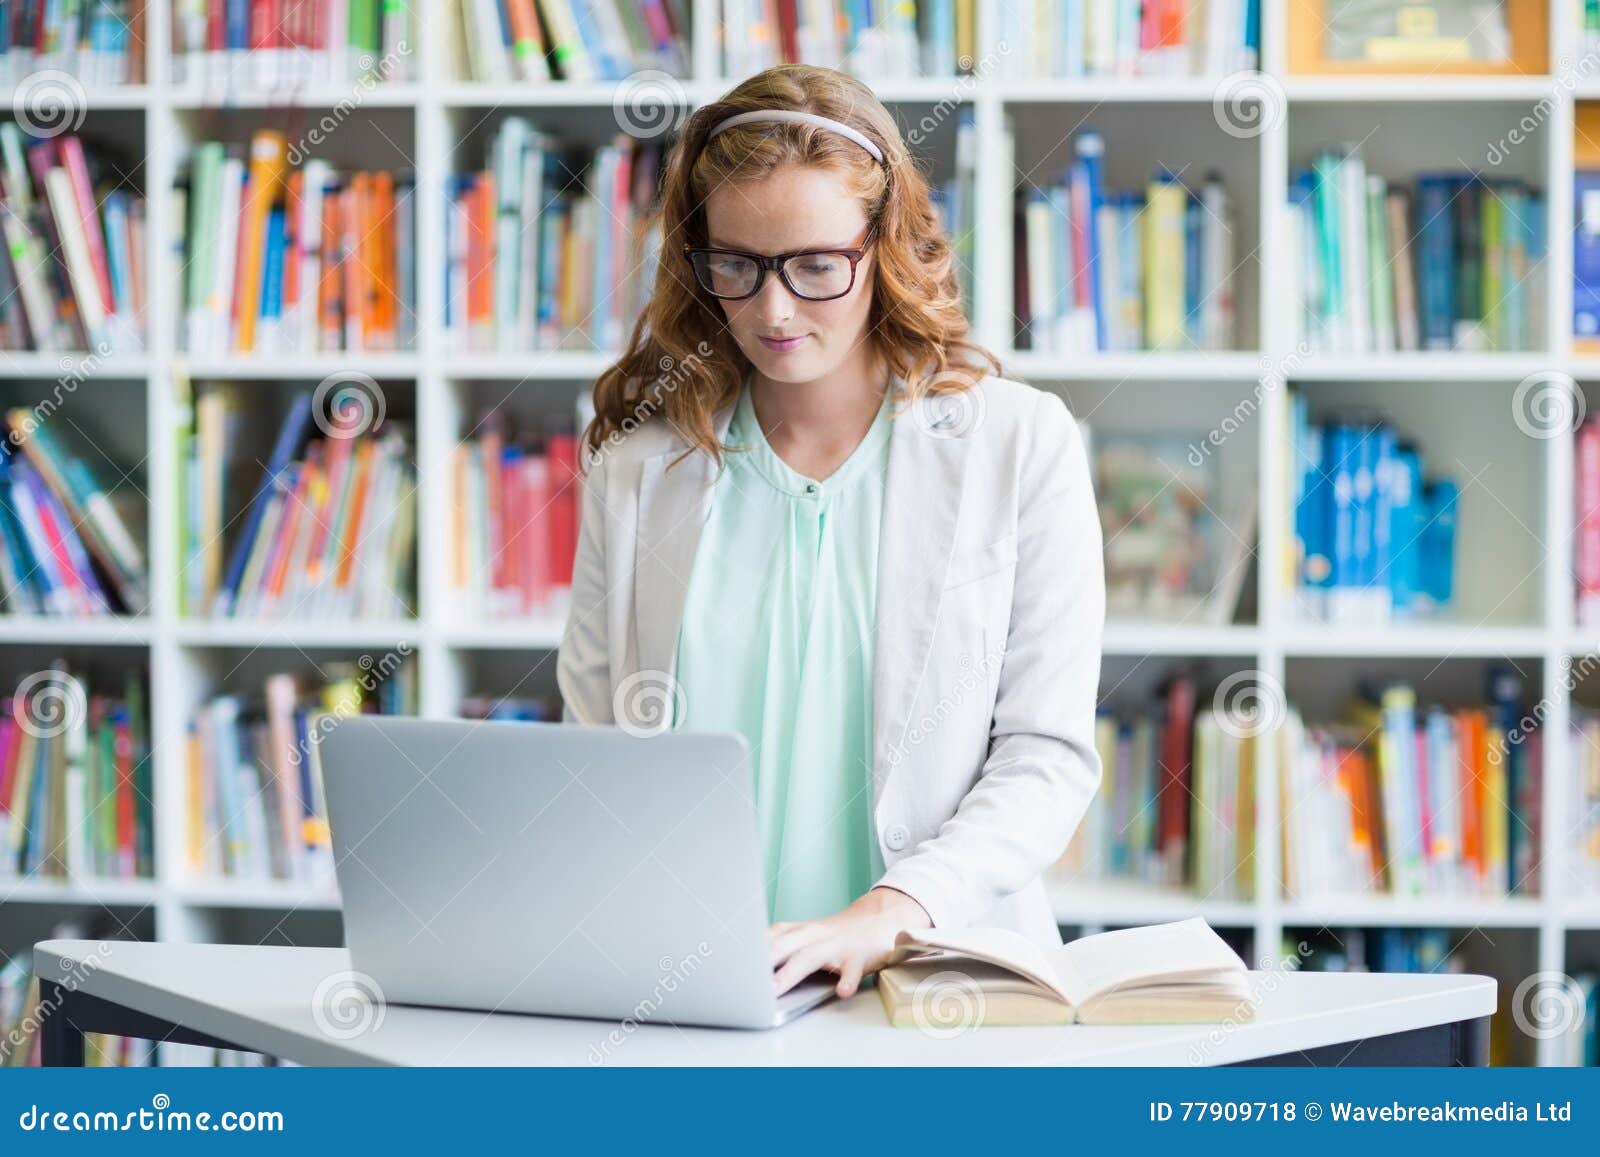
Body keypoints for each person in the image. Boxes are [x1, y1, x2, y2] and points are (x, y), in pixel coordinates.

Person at [557, 64, 1104, 1002]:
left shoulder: (1018, 443)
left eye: (816, 266)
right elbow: (597, 756)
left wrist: (891, 907)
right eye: (736, 265)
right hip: (699, 993)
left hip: (941, 983)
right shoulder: (638, 470)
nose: (772, 311)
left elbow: (1045, 757)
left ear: (884, 247)